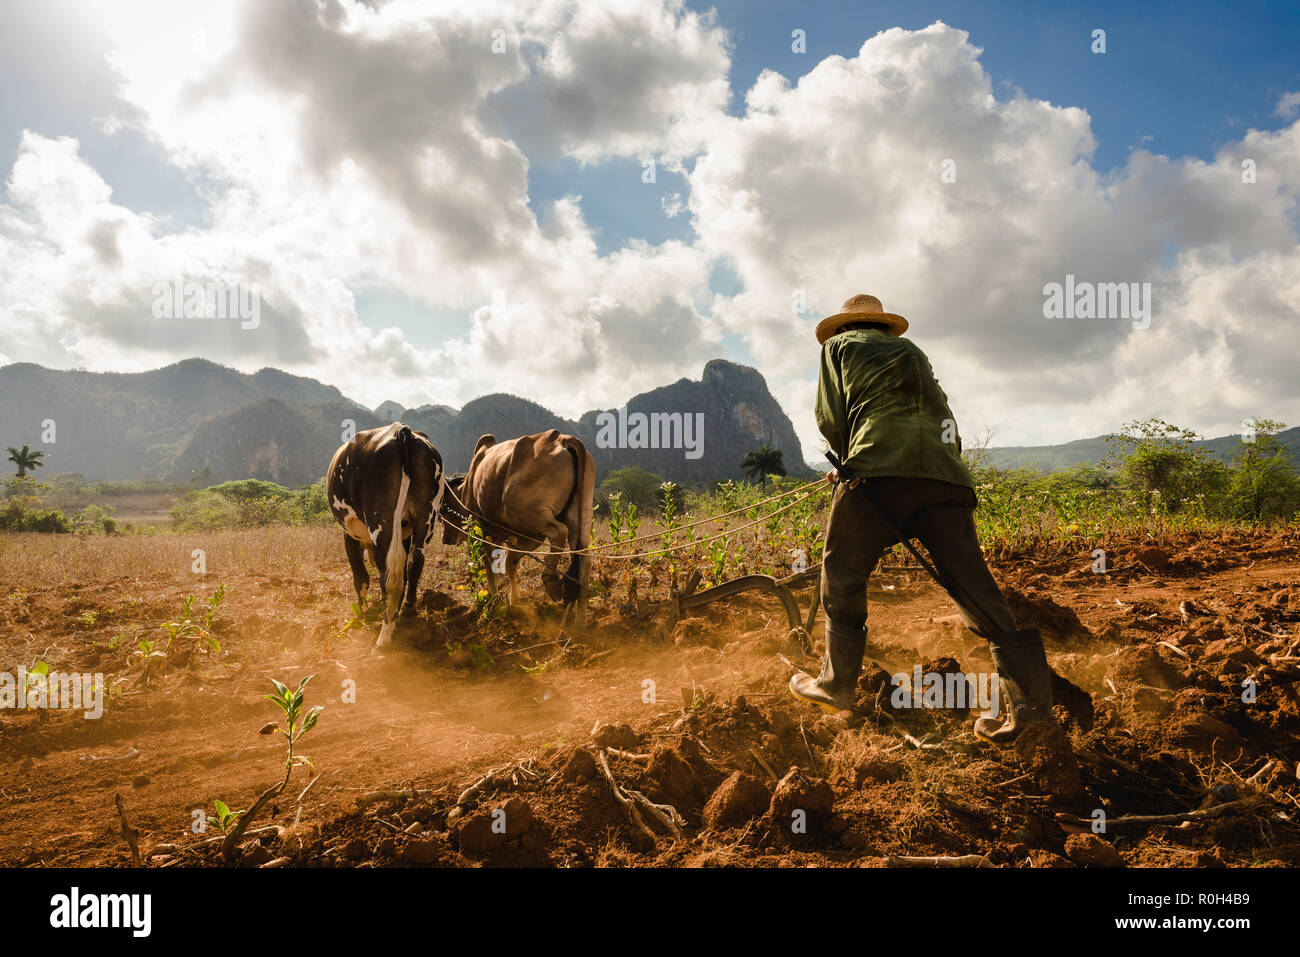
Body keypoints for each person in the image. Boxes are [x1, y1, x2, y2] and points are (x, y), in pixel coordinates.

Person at [788, 293, 1053, 744]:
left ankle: (835, 684)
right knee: (974, 588)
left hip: (877, 471)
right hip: (946, 477)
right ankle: (1031, 711)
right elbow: (943, 416)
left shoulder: (837, 347)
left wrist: (852, 458)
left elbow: (830, 415)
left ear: (843, 327)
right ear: (883, 325)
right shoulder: (913, 352)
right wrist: (940, 465)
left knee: (843, 572)